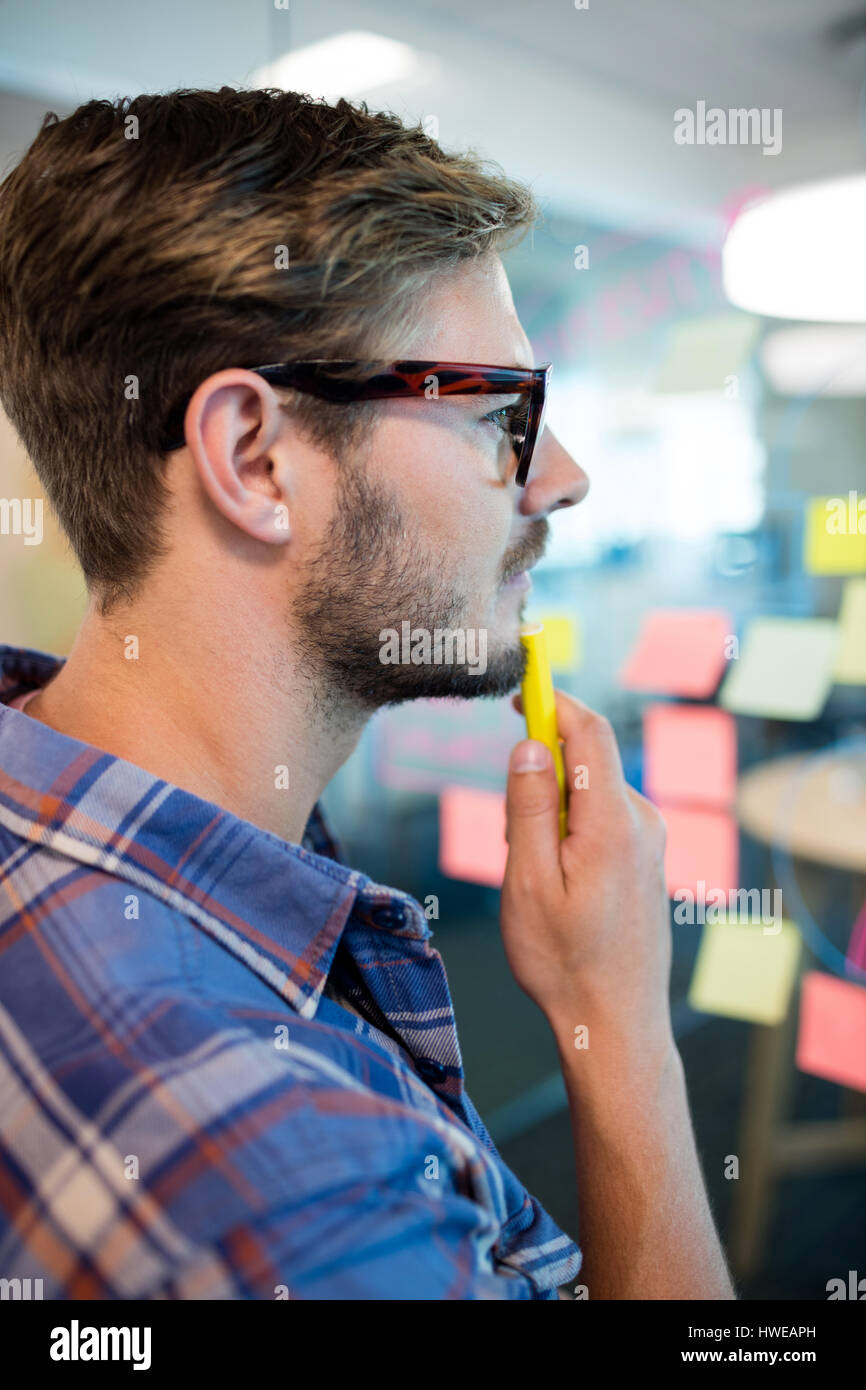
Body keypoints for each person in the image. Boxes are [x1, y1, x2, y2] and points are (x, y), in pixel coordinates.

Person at [0, 87, 733, 1300]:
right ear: (256, 459)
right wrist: (623, 1035)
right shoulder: (285, 1190)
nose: (561, 478)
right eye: (498, 411)